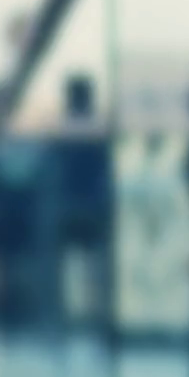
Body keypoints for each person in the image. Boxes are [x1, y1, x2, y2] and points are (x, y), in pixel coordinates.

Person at [44, 74, 115, 343]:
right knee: (94, 273)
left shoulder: (62, 129)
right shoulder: (97, 128)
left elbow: (53, 168)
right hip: (89, 204)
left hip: (71, 205)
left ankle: (64, 326)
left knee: (65, 273)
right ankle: (97, 325)